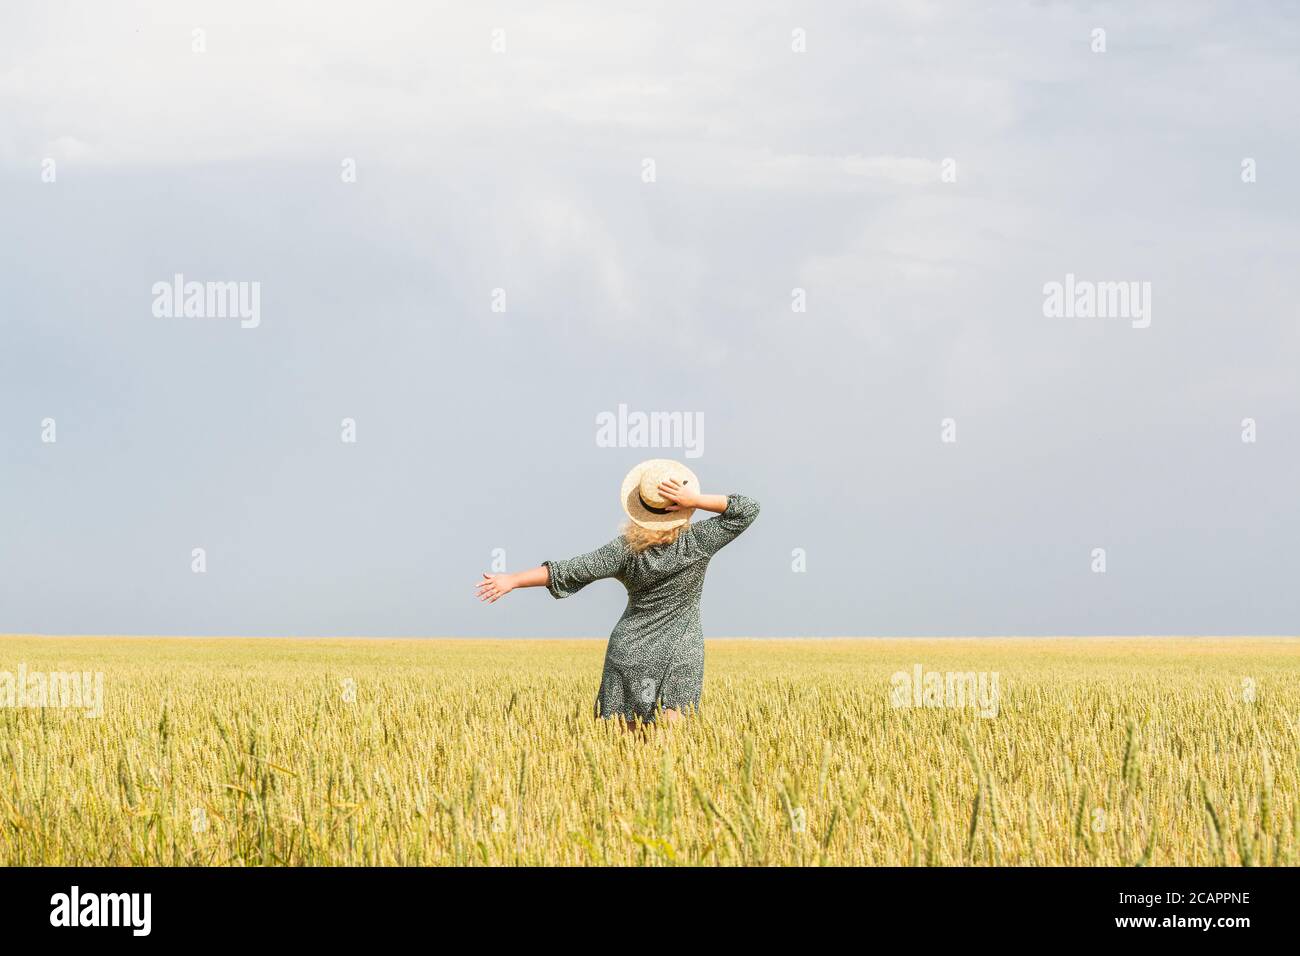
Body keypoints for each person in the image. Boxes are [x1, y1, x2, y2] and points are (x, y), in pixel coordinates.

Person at [476, 459, 760, 728]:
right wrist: (695, 499)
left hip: (630, 653)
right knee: (668, 755)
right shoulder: (698, 541)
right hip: (680, 653)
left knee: (624, 755)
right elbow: (747, 508)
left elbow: (571, 570)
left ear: (639, 507)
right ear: (680, 506)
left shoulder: (625, 549)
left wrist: (511, 580)